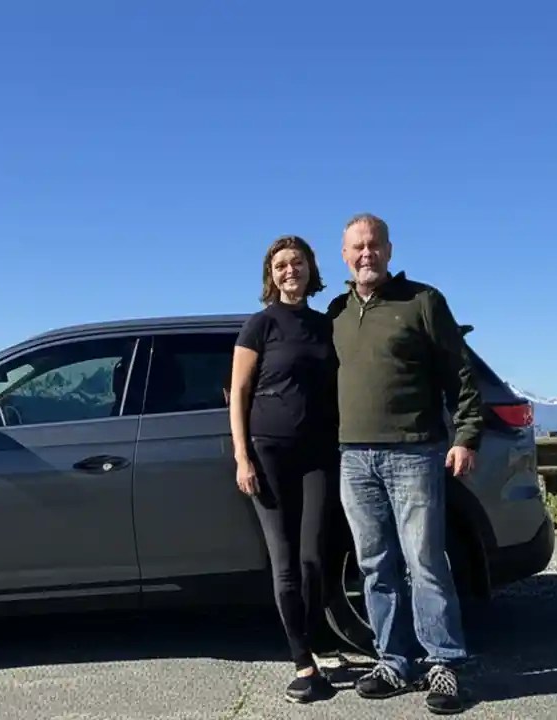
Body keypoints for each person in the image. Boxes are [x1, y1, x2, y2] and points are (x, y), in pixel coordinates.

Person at [326, 213, 483, 715]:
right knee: (375, 566)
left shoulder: (422, 301)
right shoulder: (336, 312)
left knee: (426, 563)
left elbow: (460, 375)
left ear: (389, 250)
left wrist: (466, 436)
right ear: (344, 256)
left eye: (374, 245)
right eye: (357, 247)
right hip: (354, 456)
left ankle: (445, 664)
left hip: (415, 452)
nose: (366, 253)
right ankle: (394, 661)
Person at [229, 234, 340, 704]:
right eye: (279, 266)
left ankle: (315, 639)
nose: (289, 271)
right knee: (285, 560)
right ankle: (303, 663)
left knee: (314, 557)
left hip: (319, 453)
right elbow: (237, 393)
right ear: (269, 276)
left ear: (311, 270)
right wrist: (242, 456)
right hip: (269, 453)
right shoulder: (261, 325)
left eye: (297, 263)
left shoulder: (328, 323)